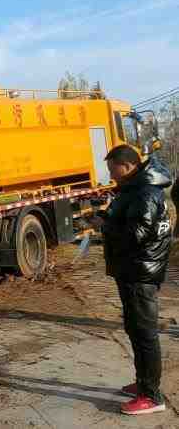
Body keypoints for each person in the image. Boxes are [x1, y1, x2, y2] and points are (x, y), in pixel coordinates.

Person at [89, 144, 171, 415]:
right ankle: (144, 383)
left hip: (140, 272)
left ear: (127, 166)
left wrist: (105, 227)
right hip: (132, 269)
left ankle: (152, 396)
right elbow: (131, 223)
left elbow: (138, 234)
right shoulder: (135, 189)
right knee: (135, 329)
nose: (112, 176)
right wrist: (107, 216)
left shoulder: (145, 193)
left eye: (113, 170)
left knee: (144, 333)